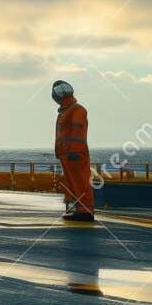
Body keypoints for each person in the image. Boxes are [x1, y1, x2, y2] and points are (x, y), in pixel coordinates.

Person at [52, 80, 95, 223]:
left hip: (75, 153)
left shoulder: (77, 110)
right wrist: (60, 151)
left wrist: (74, 151)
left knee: (80, 181)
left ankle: (85, 210)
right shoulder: (65, 111)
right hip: (67, 153)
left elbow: (78, 131)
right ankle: (78, 209)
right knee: (71, 182)